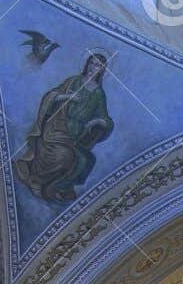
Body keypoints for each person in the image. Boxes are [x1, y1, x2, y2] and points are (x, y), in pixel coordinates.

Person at [14, 51, 114, 203]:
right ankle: (36, 180)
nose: (94, 68)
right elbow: (51, 96)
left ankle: (56, 187)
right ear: (87, 64)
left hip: (77, 136)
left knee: (87, 161)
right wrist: (68, 97)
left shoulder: (99, 94)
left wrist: (96, 122)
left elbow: (104, 117)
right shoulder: (74, 81)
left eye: (99, 66)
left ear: (102, 70)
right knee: (64, 155)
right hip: (57, 127)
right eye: (92, 63)